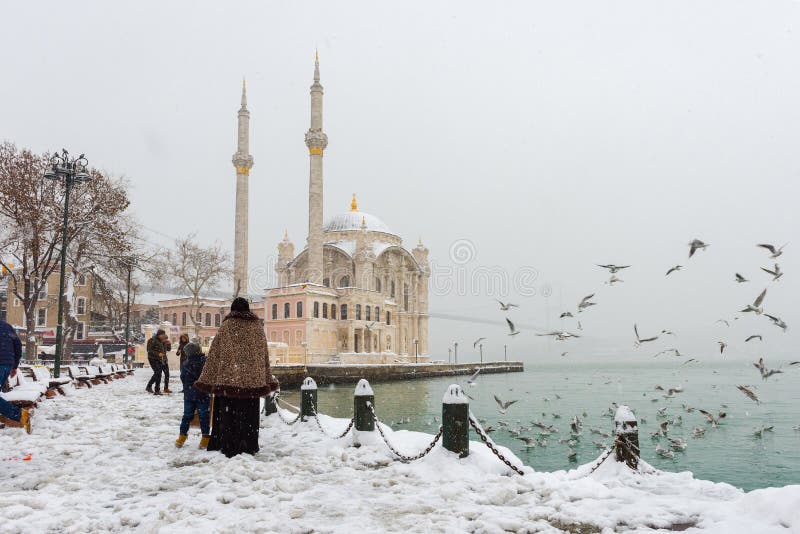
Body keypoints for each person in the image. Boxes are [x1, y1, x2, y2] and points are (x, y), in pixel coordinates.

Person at [195, 297, 276, 457]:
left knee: (228, 414)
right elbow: (263, 353)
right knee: (249, 416)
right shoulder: (257, 327)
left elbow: (215, 353)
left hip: (227, 381)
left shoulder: (226, 326)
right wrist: (264, 376)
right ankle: (248, 444)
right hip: (251, 382)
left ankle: (228, 443)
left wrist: (209, 377)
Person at [175, 342, 210, 449]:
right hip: (203, 393)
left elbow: (183, 377)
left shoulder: (186, 364)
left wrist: (189, 387)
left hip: (189, 395)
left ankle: (182, 437)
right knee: (204, 417)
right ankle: (205, 438)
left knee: (186, 416)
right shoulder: (206, 362)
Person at [0, 319, 31, 433]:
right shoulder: (7, 326)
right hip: (7, 364)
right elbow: (18, 345)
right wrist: (14, 366)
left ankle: (20, 415)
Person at [145, 329, 167, 395]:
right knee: (157, 372)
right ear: (159, 334)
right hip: (152, 358)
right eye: (163, 335)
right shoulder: (152, 340)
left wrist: (163, 357)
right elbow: (149, 350)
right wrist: (158, 354)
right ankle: (151, 387)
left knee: (159, 373)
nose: (164, 336)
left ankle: (155, 389)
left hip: (159, 359)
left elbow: (163, 350)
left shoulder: (161, 341)